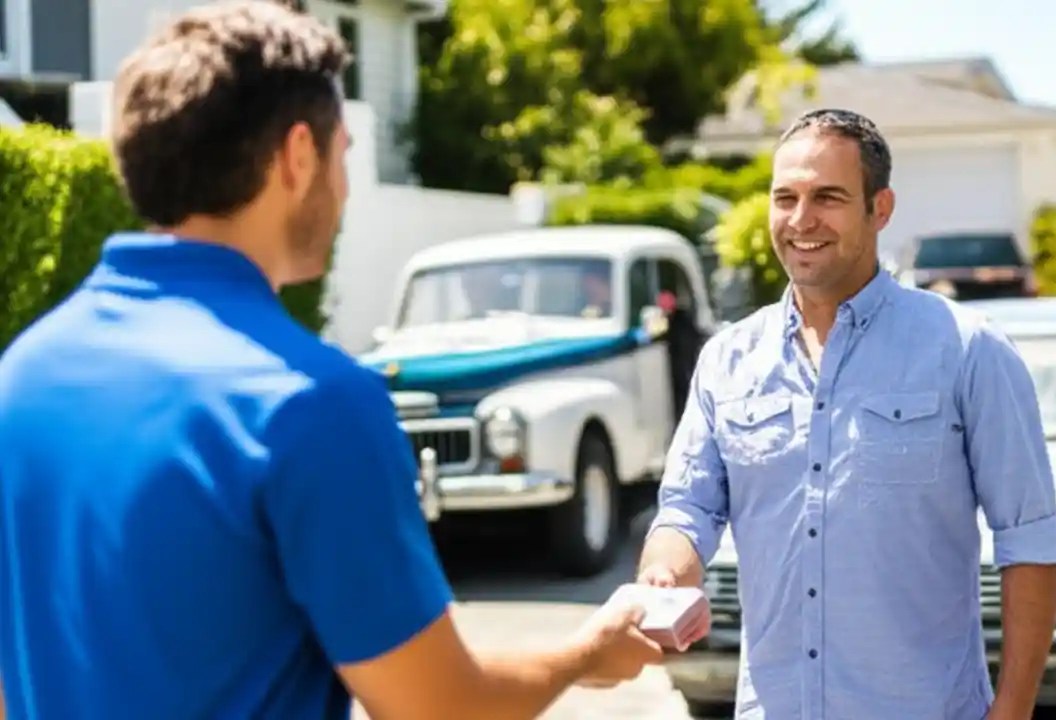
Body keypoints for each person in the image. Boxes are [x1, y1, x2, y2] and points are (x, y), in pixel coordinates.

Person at [0, 2, 663, 718]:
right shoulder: (312, 402)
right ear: (298, 156)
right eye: (344, 153)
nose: (344, 190)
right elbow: (441, 704)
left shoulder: (21, 377)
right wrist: (588, 651)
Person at [637, 108, 1056, 719]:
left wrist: (1013, 709)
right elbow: (689, 507)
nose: (801, 220)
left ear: (880, 208)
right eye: (784, 197)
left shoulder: (967, 349)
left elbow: (1029, 540)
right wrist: (664, 571)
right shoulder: (726, 360)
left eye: (828, 197)